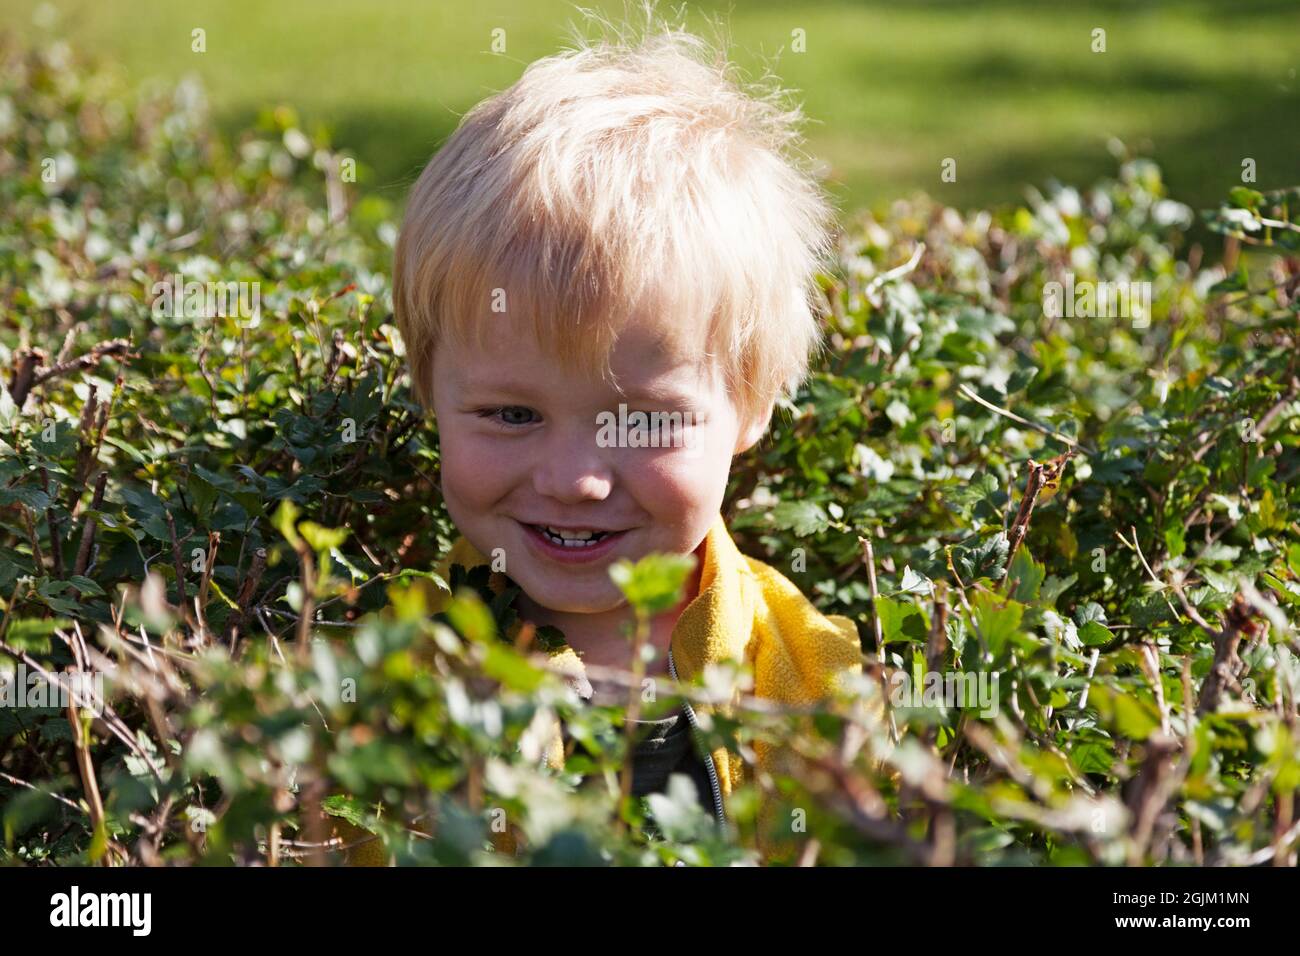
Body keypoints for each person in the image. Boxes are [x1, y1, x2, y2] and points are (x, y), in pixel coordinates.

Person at [335, 7, 885, 866]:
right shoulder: (382, 686)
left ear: (751, 402)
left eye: (641, 420)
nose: (574, 480)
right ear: (428, 390)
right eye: (512, 414)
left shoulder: (819, 676)